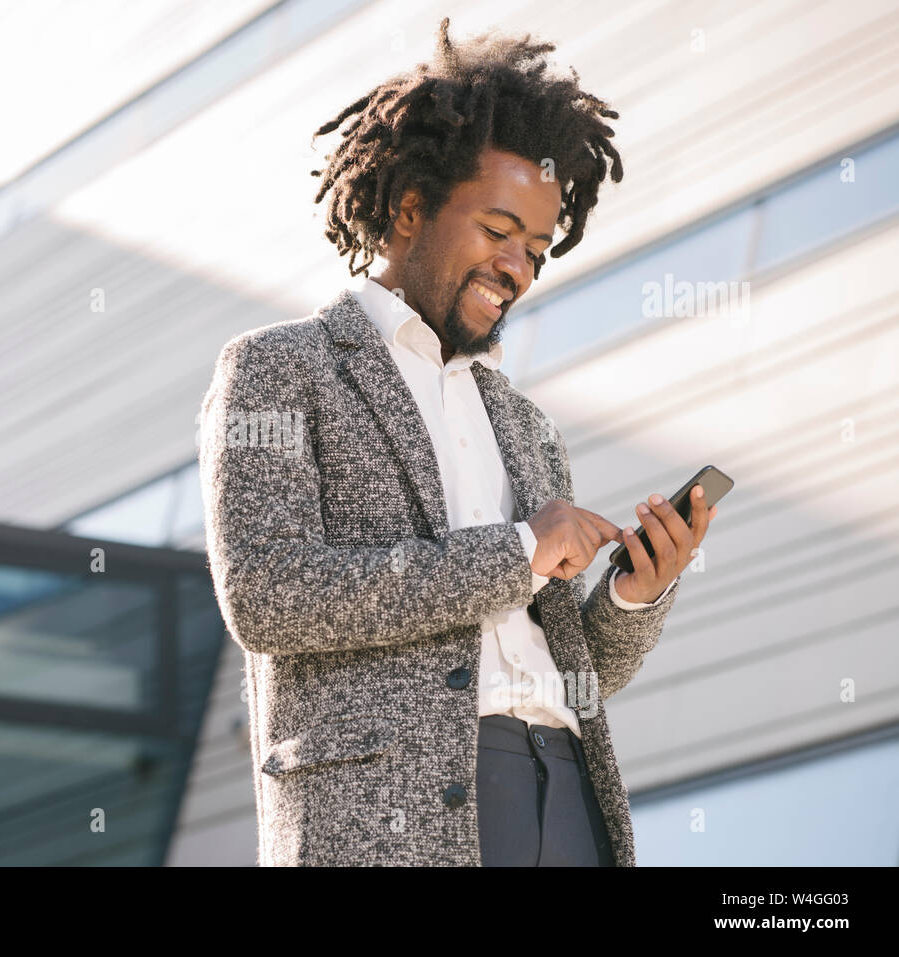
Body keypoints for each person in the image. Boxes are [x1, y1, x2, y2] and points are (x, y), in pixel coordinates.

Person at [198, 18, 718, 866]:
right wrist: (518, 551)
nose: (517, 266)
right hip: (393, 812)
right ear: (411, 209)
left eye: (538, 250)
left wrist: (633, 599)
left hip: (568, 789)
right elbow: (267, 592)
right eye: (498, 230)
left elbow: (570, 669)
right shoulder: (280, 369)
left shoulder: (524, 423)